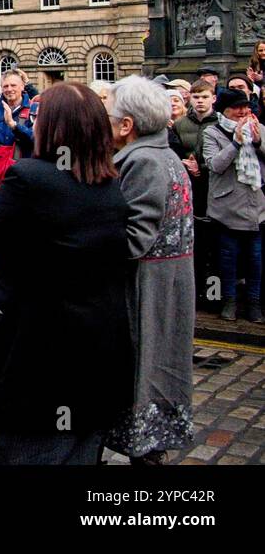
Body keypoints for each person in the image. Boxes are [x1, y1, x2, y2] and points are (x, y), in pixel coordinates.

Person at [0, 82, 133, 465]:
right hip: (97, 348)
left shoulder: (31, 177)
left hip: (36, 354)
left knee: (17, 450)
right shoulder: (109, 183)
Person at [105, 76, 196, 465]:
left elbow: (134, 239)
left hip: (147, 288)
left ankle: (145, 448)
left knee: (144, 371)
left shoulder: (142, 160)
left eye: (110, 117)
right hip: (166, 283)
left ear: (127, 125)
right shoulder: (163, 155)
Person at [202, 87, 265, 322]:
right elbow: (214, 165)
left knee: (256, 259)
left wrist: (257, 141)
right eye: (237, 107)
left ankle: (254, 303)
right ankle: (228, 301)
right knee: (227, 258)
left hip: (255, 206)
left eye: (245, 106)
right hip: (226, 207)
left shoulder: (259, 129)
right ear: (225, 110)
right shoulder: (212, 132)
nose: (243, 111)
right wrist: (236, 143)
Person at [179, 80, 221, 310]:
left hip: (215, 189)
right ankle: (195, 297)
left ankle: (214, 297)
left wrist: (201, 168)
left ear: (213, 98)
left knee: (215, 249)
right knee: (195, 248)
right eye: (196, 97)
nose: (200, 101)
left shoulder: (222, 123)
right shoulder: (180, 124)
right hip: (190, 190)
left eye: (204, 96)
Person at [0, 69, 34, 160]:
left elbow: (37, 140)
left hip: (23, 168)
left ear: (22, 86)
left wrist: (14, 125)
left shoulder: (34, 109)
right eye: (5, 86)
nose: (9, 89)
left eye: (13, 85)